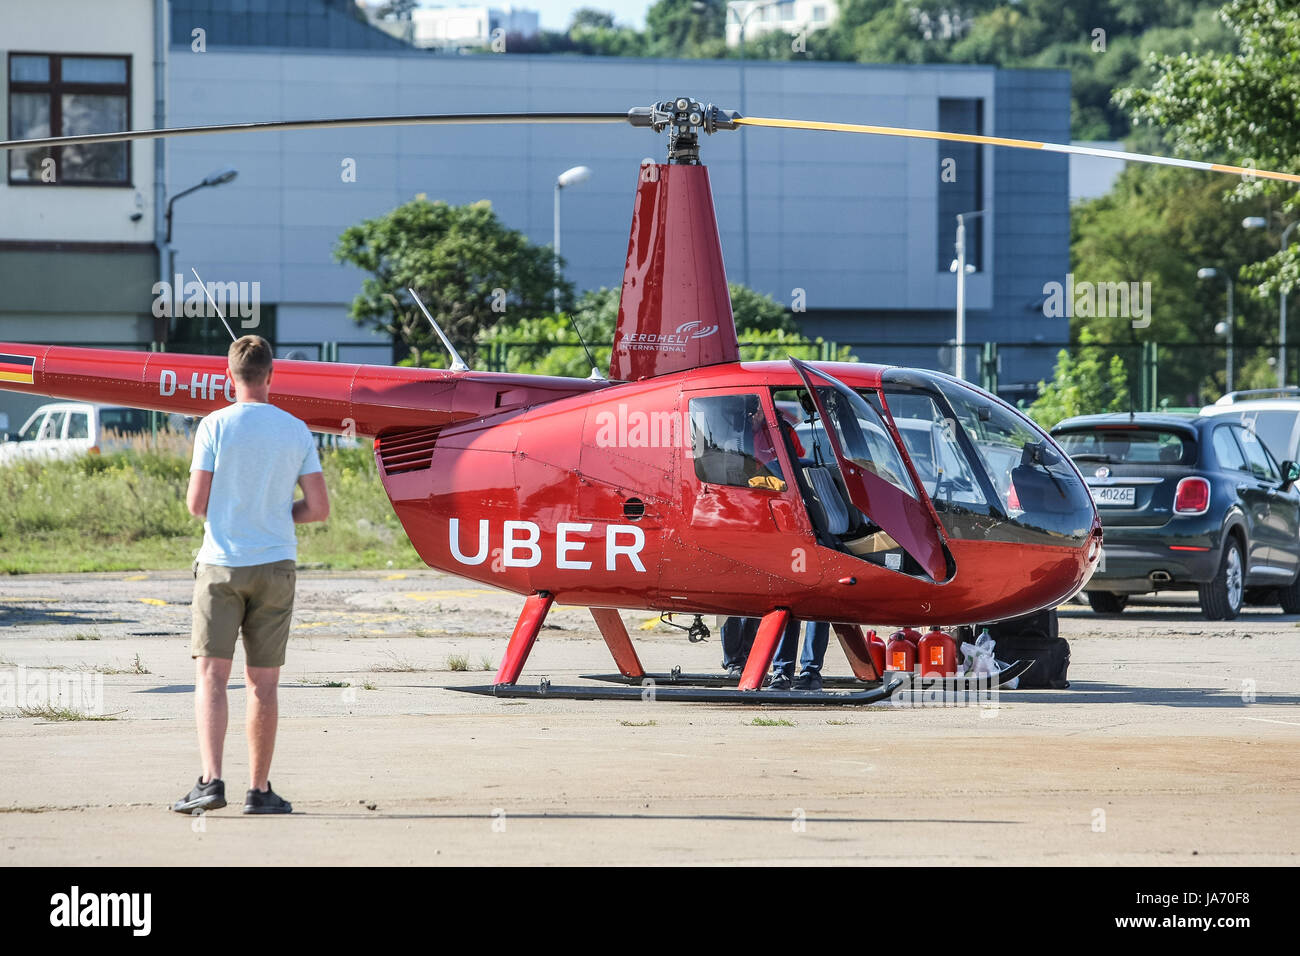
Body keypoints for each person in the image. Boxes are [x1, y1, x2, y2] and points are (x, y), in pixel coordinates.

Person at [172, 335, 330, 816]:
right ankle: (259, 790)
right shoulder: (297, 429)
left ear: (228, 376)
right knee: (263, 684)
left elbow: (197, 504)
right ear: (271, 375)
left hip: (221, 564)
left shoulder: (214, 426)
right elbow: (319, 508)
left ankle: (211, 781)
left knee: (212, 677)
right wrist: (278, 516)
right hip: (275, 565)